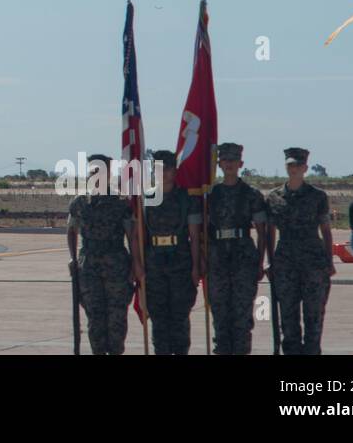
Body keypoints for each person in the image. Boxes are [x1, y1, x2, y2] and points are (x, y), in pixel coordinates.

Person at [67, 153, 140, 355]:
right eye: (92, 171)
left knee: (117, 321)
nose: (96, 175)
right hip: (89, 268)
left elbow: (131, 236)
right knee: (95, 320)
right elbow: (71, 231)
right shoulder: (79, 203)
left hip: (116, 267)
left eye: (101, 171)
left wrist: (136, 264)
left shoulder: (121, 203)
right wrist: (73, 259)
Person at [266, 147, 335, 355]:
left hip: (313, 262)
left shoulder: (317, 197)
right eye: (290, 165)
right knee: (288, 317)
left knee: (314, 317)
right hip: (285, 262)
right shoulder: (274, 197)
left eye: (298, 165)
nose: (294, 168)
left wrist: (329, 261)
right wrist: (270, 262)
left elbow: (326, 231)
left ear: (305, 167)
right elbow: (269, 233)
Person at [206, 142, 268, 355]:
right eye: (225, 160)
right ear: (219, 164)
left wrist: (260, 261)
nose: (229, 164)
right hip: (217, 260)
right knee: (220, 317)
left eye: (233, 160)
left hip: (243, 259)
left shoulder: (252, 194)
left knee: (242, 318)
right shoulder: (210, 195)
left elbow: (262, 232)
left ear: (241, 163)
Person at [138, 150, 201, 355]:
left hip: (180, 264)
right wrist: (139, 265)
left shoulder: (186, 199)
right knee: (158, 318)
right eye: (159, 168)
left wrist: (195, 266)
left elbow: (194, 237)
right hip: (154, 266)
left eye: (168, 168)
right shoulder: (146, 199)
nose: (164, 173)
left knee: (180, 317)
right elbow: (139, 238)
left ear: (175, 171)